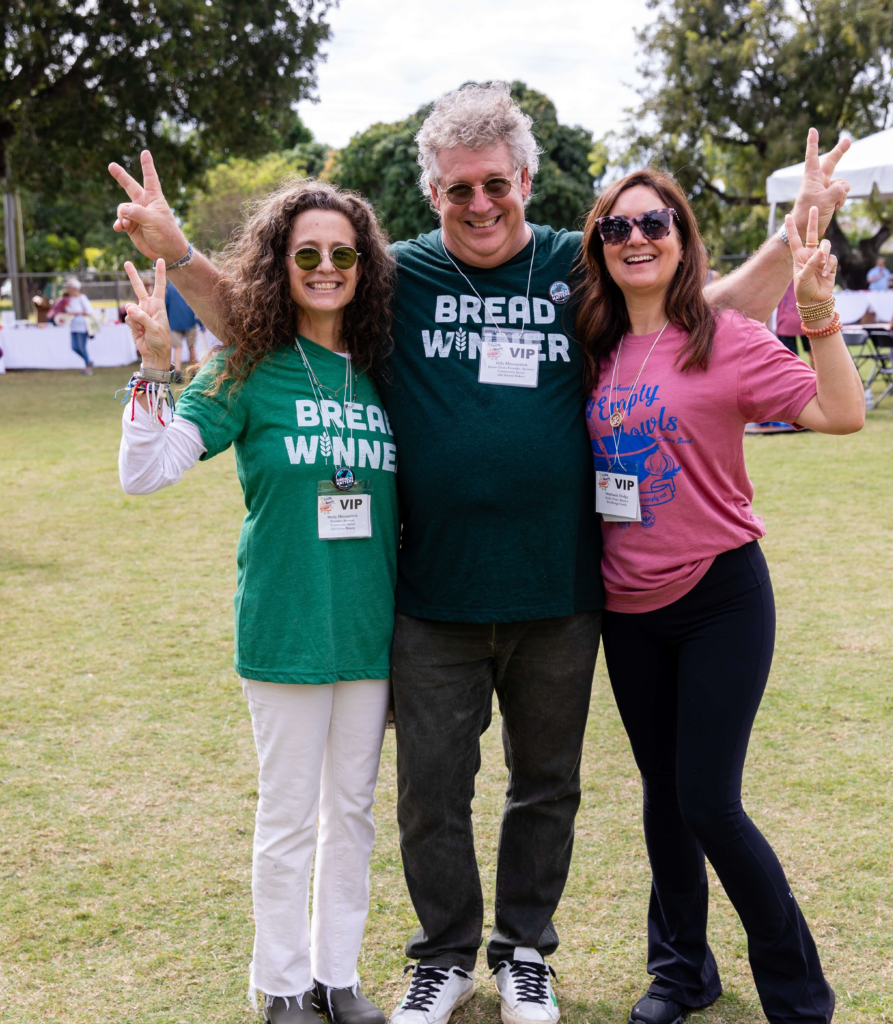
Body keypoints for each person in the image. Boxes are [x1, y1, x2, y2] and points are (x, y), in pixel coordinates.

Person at [109, 82, 850, 1024]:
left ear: (527, 180)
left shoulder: (575, 266)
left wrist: (794, 241)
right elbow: (275, 309)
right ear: (433, 194)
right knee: (430, 792)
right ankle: (445, 954)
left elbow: (697, 309)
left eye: (496, 183)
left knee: (547, 786)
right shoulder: (397, 274)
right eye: (459, 189)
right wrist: (178, 254)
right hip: (432, 591)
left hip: (565, 589)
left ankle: (525, 953)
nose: (480, 204)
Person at [579, 172, 864, 1024]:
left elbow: (840, 413)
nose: (638, 237)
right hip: (625, 607)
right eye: (617, 226)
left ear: (681, 234)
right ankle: (681, 974)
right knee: (662, 794)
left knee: (708, 797)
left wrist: (816, 308)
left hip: (719, 597)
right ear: (599, 245)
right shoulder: (588, 346)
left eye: (655, 221)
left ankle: (798, 993)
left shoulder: (727, 339)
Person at [116, 180, 398, 1024]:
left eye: (341, 254)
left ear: (363, 268)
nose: (323, 267)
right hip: (283, 631)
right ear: (279, 263)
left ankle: (337, 975)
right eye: (304, 253)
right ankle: (280, 984)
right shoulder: (248, 368)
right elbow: (145, 470)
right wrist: (156, 366)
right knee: (288, 817)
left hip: (369, 634)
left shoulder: (386, 375)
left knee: (350, 814)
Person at [165, 278, 202, 378]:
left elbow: (166, 305)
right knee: (192, 348)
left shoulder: (171, 288)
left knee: (177, 348)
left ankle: (177, 373)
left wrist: (168, 321)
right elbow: (197, 305)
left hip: (175, 323)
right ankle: (193, 372)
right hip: (190, 321)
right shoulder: (189, 286)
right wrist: (200, 323)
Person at [62, 277, 96, 374]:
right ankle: (88, 362)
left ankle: (87, 367)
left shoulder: (82, 298)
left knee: (81, 347)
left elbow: (89, 311)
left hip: (82, 326)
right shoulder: (71, 299)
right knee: (74, 347)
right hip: (73, 326)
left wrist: (75, 313)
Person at [774, 280, 811, 355]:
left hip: (785, 323)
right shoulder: (804, 277)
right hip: (806, 319)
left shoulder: (777, 281)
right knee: (813, 354)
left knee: (791, 357)